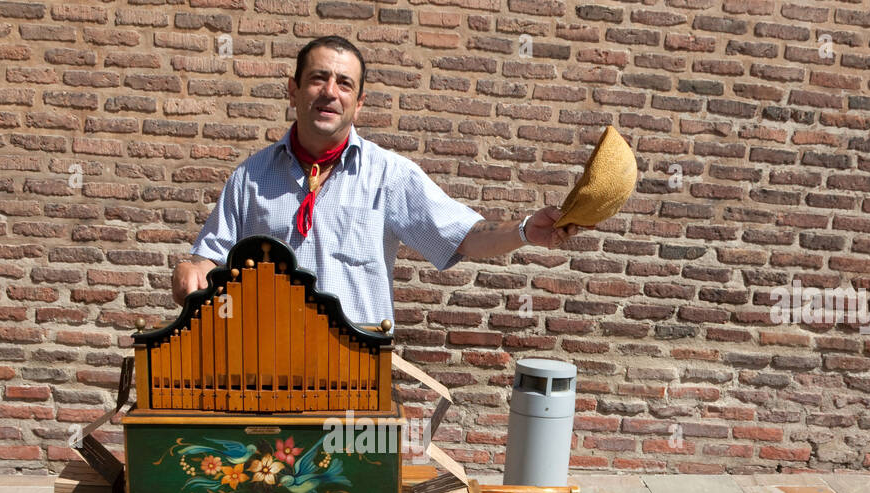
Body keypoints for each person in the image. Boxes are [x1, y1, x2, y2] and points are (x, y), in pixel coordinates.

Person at [171, 35, 581, 325]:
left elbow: (464, 236)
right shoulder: (250, 177)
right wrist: (192, 271)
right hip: (263, 374)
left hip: (356, 377)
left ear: (359, 103)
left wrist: (526, 231)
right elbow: (211, 258)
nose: (330, 92)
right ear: (293, 90)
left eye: (344, 84)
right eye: (318, 78)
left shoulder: (389, 176)